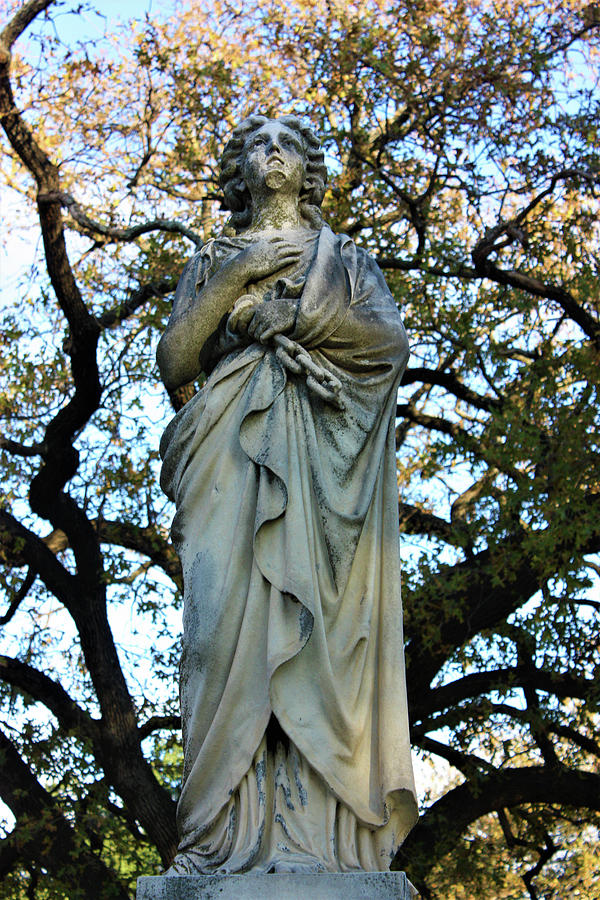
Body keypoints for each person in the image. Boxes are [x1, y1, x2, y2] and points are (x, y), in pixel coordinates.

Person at [157, 114, 418, 875]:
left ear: (309, 169)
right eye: (259, 144)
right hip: (225, 459)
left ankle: (320, 842)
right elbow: (177, 360)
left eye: (291, 145)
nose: (275, 155)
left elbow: (387, 345)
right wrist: (238, 281)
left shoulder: (349, 264)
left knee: (319, 643)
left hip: (323, 469)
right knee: (217, 636)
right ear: (240, 170)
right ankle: (214, 839)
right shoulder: (212, 257)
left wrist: (295, 320)